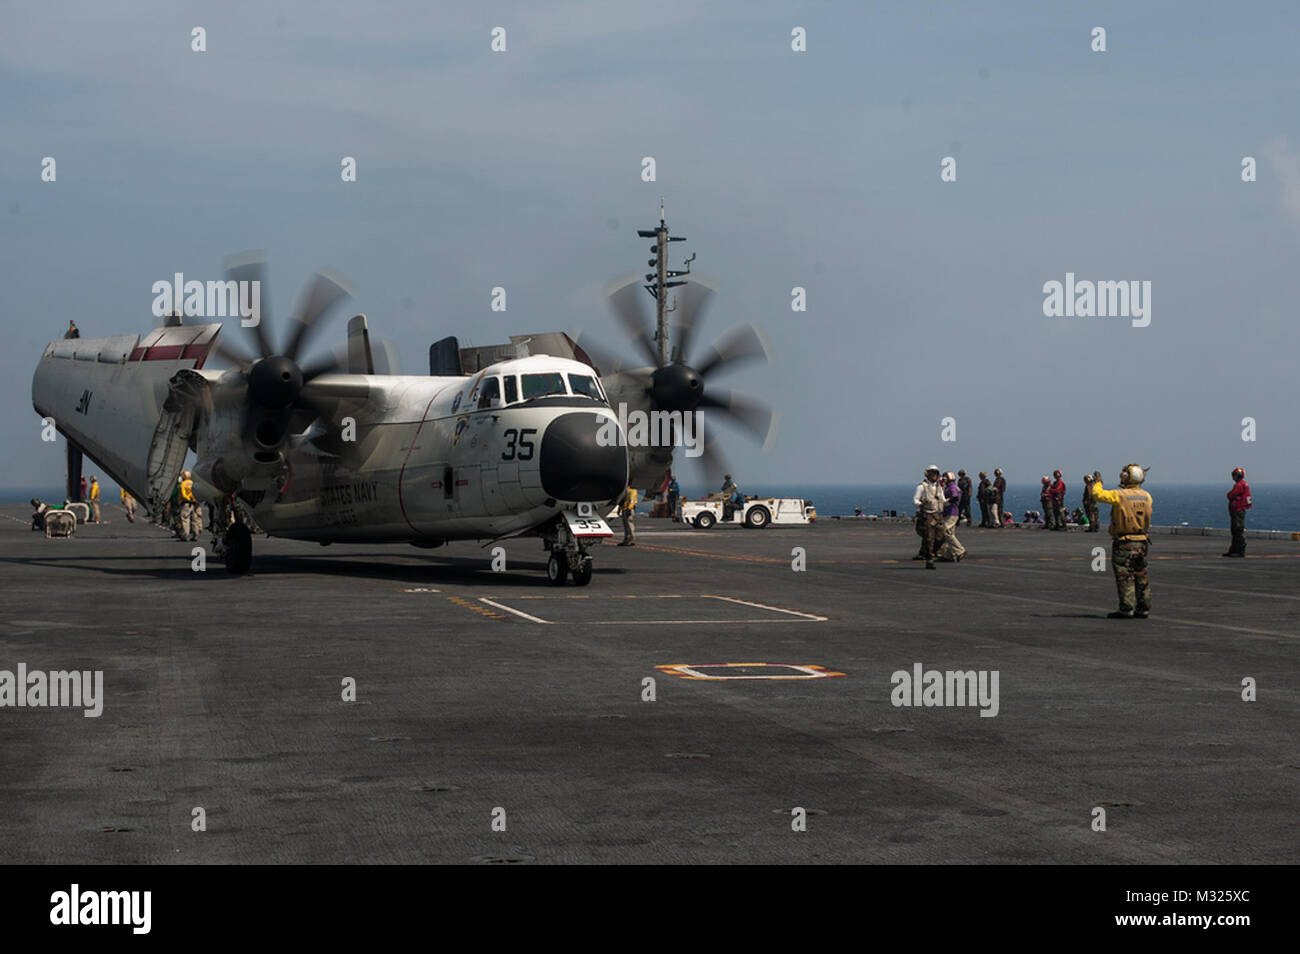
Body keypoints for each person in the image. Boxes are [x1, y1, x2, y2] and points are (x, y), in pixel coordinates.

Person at [1091, 464, 1153, 619]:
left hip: (1124, 542)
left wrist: (1097, 482)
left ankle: (1126, 608)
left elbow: (1098, 495)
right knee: (1141, 574)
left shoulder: (1120, 495)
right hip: (1142, 541)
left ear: (1128, 477)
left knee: (1124, 575)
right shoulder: (1147, 496)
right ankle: (1143, 607)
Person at [912, 465, 946, 569]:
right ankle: (929, 559)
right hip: (928, 515)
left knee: (942, 537)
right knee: (929, 539)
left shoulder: (939, 487)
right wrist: (920, 504)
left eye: (936, 473)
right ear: (928, 474)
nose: (934, 475)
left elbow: (943, 500)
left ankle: (932, 554)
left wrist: (950, 501)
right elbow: (915, 500)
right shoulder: (922, 487)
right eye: (932, 473)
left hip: (938, 515)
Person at [1224, 467, 1252, 557]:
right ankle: (1234, 549)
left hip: (1237, 510)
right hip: (1237, 510)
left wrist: (1230, 496)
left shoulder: (1239, 485)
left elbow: (1230, 495)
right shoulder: (1242, 484)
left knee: (1237, 530)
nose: (1233, 477)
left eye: (1234, 475)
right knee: (1235, 530)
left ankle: (1239, 549)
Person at [938, 472, 966, 562]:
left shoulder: (952, 487)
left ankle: (959, 550)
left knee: (946, 531)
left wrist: (947, 501)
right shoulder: (952, 487)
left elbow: (955, 497)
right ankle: (948, 554)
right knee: (950, 533)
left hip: (951, 512)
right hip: (950, 512)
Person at [178, 470, 201, 542]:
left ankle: (186, 535)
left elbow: (183, 494)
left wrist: (187, 499)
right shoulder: (193, 483)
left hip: (186, 503)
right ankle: (196, 535)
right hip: (195, 503)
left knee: (185, 519)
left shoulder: (183, 484)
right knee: (195, 519)